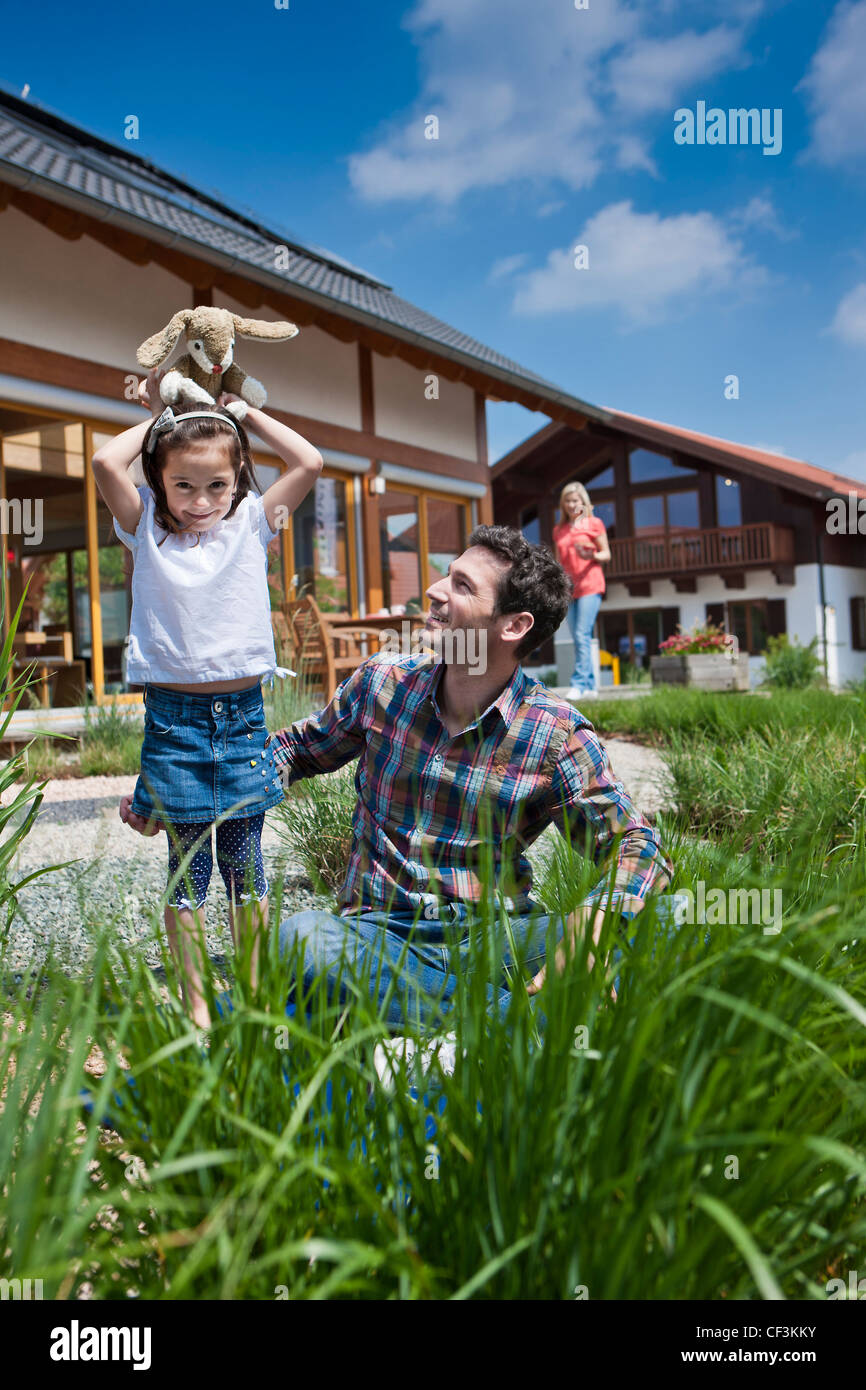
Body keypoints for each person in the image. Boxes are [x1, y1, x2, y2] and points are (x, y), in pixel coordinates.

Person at [121, 525, 676, 1062]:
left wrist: (595, 923)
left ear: (513, 626)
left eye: (461, 586)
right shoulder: (383, 684)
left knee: (666, 922)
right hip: (377, 935)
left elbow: (636, 846)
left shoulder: (555, 734)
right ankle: (495, 1030)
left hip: (496, 938)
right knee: (300, 940)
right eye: (446, 575)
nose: (433, 592)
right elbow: (292, 751)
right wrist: (181, 789)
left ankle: (414, 1032)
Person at [95, 367, 323, 1028]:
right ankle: (197, 1005)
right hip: (175, 721)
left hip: (244, 716)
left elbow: (308, 461)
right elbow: (105, 460)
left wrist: (239, 417)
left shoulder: (252, 522)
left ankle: (251, 999)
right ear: (159, 479)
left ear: (239, 477)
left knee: (246, 872)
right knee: (188, 871)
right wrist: (172, 410)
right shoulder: (145, 529)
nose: (200, 500)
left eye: (216, 484)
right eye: (183, 483)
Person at [553, 481, 611, 699]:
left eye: (575, 500)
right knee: (578, 637)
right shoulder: (559, 530)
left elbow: (607, 554)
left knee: (581, 633)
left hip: (590, 584)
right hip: (569, 588)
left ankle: (578, 683)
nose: (571, 504)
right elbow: (559, 562)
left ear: (583, 501)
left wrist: (593, 555)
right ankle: (590, 686)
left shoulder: (594, 523)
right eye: (567, 500)